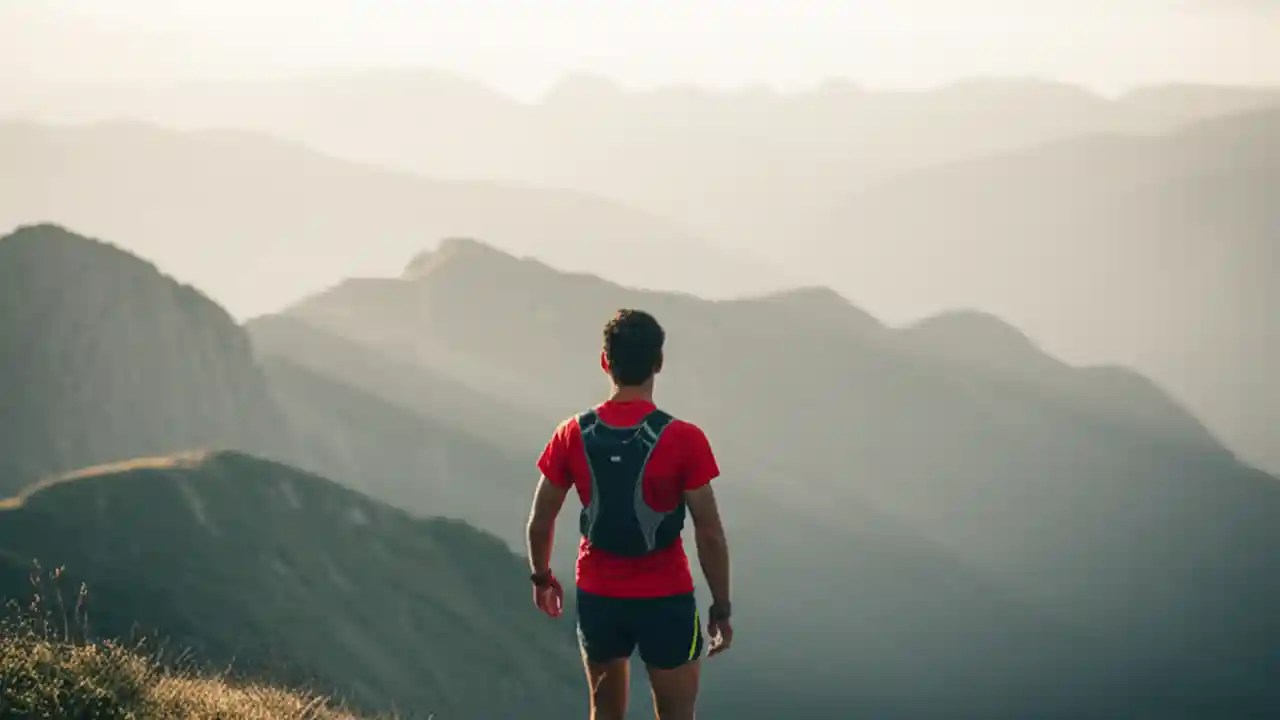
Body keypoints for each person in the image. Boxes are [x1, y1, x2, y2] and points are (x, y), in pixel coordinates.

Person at [526, 309, 733, 720]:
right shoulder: (684, 439)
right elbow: (708, 533)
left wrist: (542, 578)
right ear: (658, 363)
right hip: (666, 598)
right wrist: (721, 607)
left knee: (604, 714)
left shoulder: (572, 434)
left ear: (606, 361)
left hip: (600, 594)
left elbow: (541, 519)